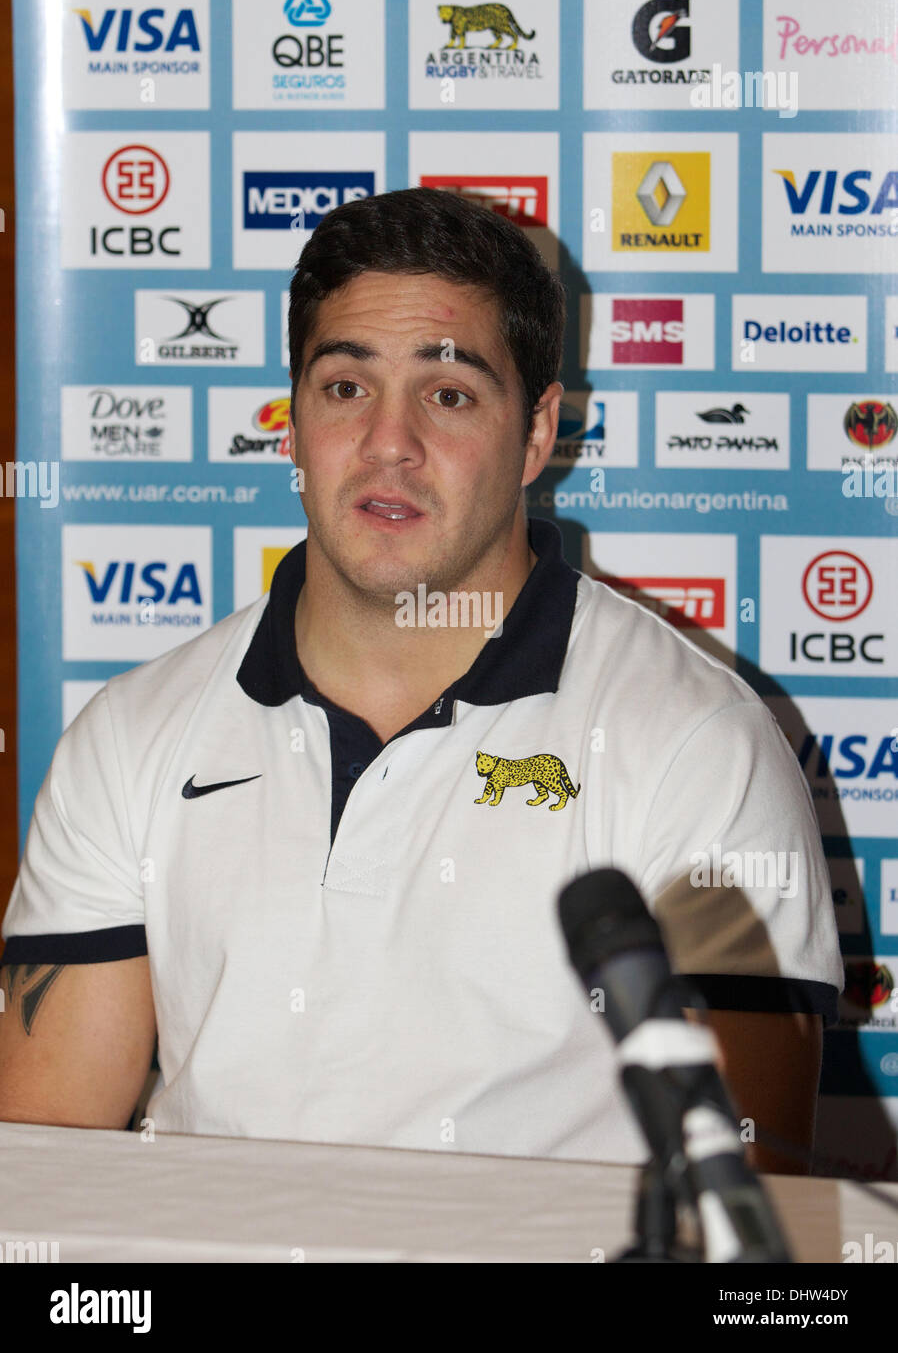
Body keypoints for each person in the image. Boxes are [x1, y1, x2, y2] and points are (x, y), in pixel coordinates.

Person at [0, 188, 842, 1172]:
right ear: (292, 424)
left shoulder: (698, 744)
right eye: (345, 387)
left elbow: (743, 1198)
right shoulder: (130, 736)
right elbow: (42, 1163)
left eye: (447, 394)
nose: (386, 443)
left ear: (536, 434)